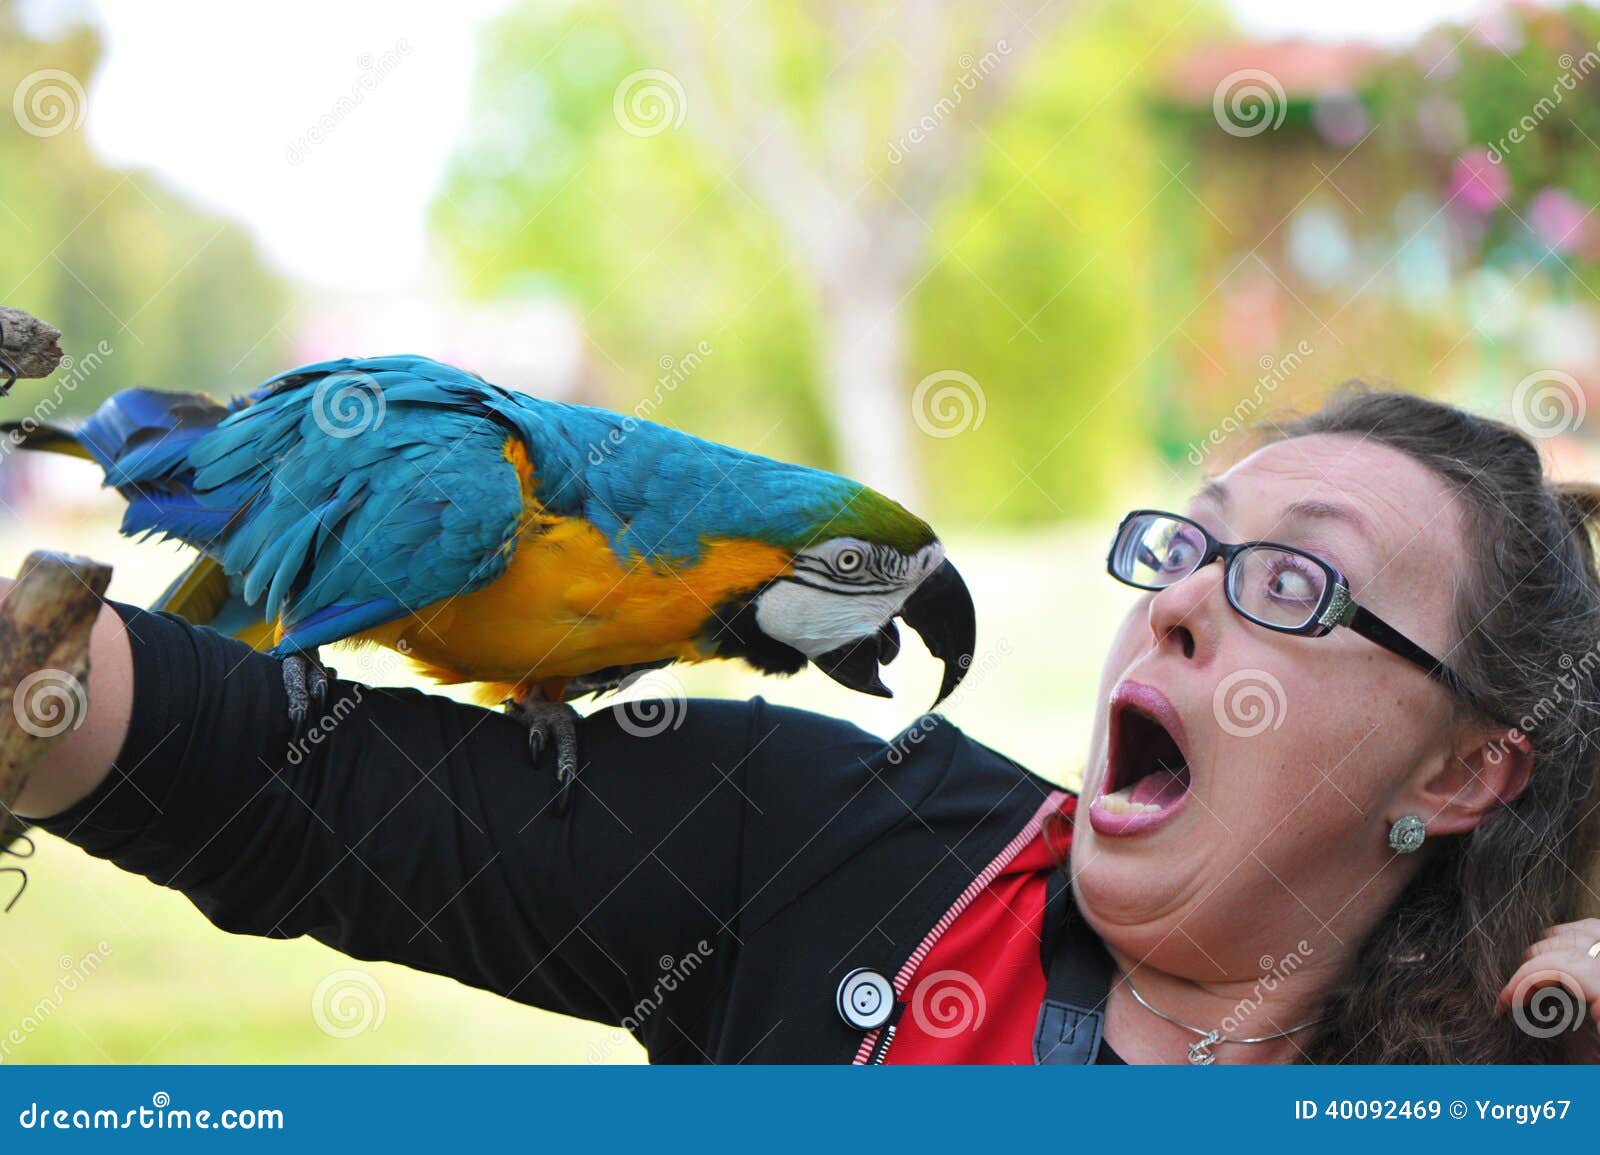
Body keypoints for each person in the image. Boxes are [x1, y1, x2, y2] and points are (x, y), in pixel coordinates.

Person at [9, 385, 1600, 1063]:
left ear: (1466, 770)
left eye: (1297, 584)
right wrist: (34, 686)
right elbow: (305, 787)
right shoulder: (826, 839)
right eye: (1182, 543)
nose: (1178, 602)